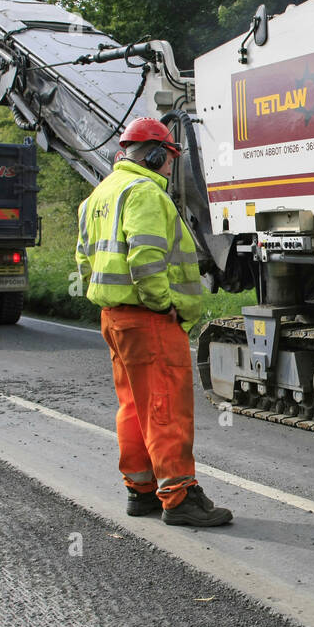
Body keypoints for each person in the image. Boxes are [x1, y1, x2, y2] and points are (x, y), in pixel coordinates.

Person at [75, 117, 233, 526]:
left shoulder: (99, 195)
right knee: (165, 407)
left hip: (115, 318)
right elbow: (145, 259)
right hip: (150, 320)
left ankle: (140, 490)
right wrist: (163, 304)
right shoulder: (144, 193)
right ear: (158, 155)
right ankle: (179, 497)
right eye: (169, 161)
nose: (169, 169)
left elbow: (83, 261)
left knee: (134, 406)